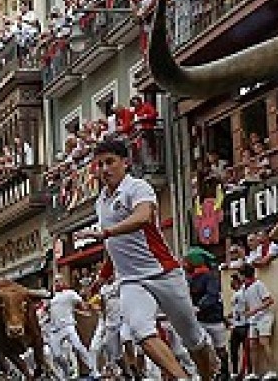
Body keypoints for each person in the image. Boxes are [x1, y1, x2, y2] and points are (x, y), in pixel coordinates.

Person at [78, 138, 219, 381]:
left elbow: (143, 217)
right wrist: (102, 277)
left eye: (109, 162)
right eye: (99, 165)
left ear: (125, 162)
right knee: (140, 332)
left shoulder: (138, 187)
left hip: (163, 272)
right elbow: (113, 247)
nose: (104, 170)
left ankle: (209, 374)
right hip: (130, 280)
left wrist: (107, 233)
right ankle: (181, 378)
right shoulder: (101, 201)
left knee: (192, 338)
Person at [184, 247, 228, 381]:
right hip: (199, 321)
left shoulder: (211, 277)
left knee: (221, 349)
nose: (185, 265)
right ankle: (206, 373)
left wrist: (199, 307)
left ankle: (225, 372)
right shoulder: (190, 279)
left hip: (214, 319)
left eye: (188, 261)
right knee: (202, 347)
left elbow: (212, 295)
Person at [239, 263, 276, 380]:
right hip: (253, 319)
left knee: (264, 342)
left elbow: (269, 300)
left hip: (264, 317)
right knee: (252, 345)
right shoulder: (244, 288)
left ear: (244, 275)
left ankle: (272, 371)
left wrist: (255, 310)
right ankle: (254, 372)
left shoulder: (259, 284)